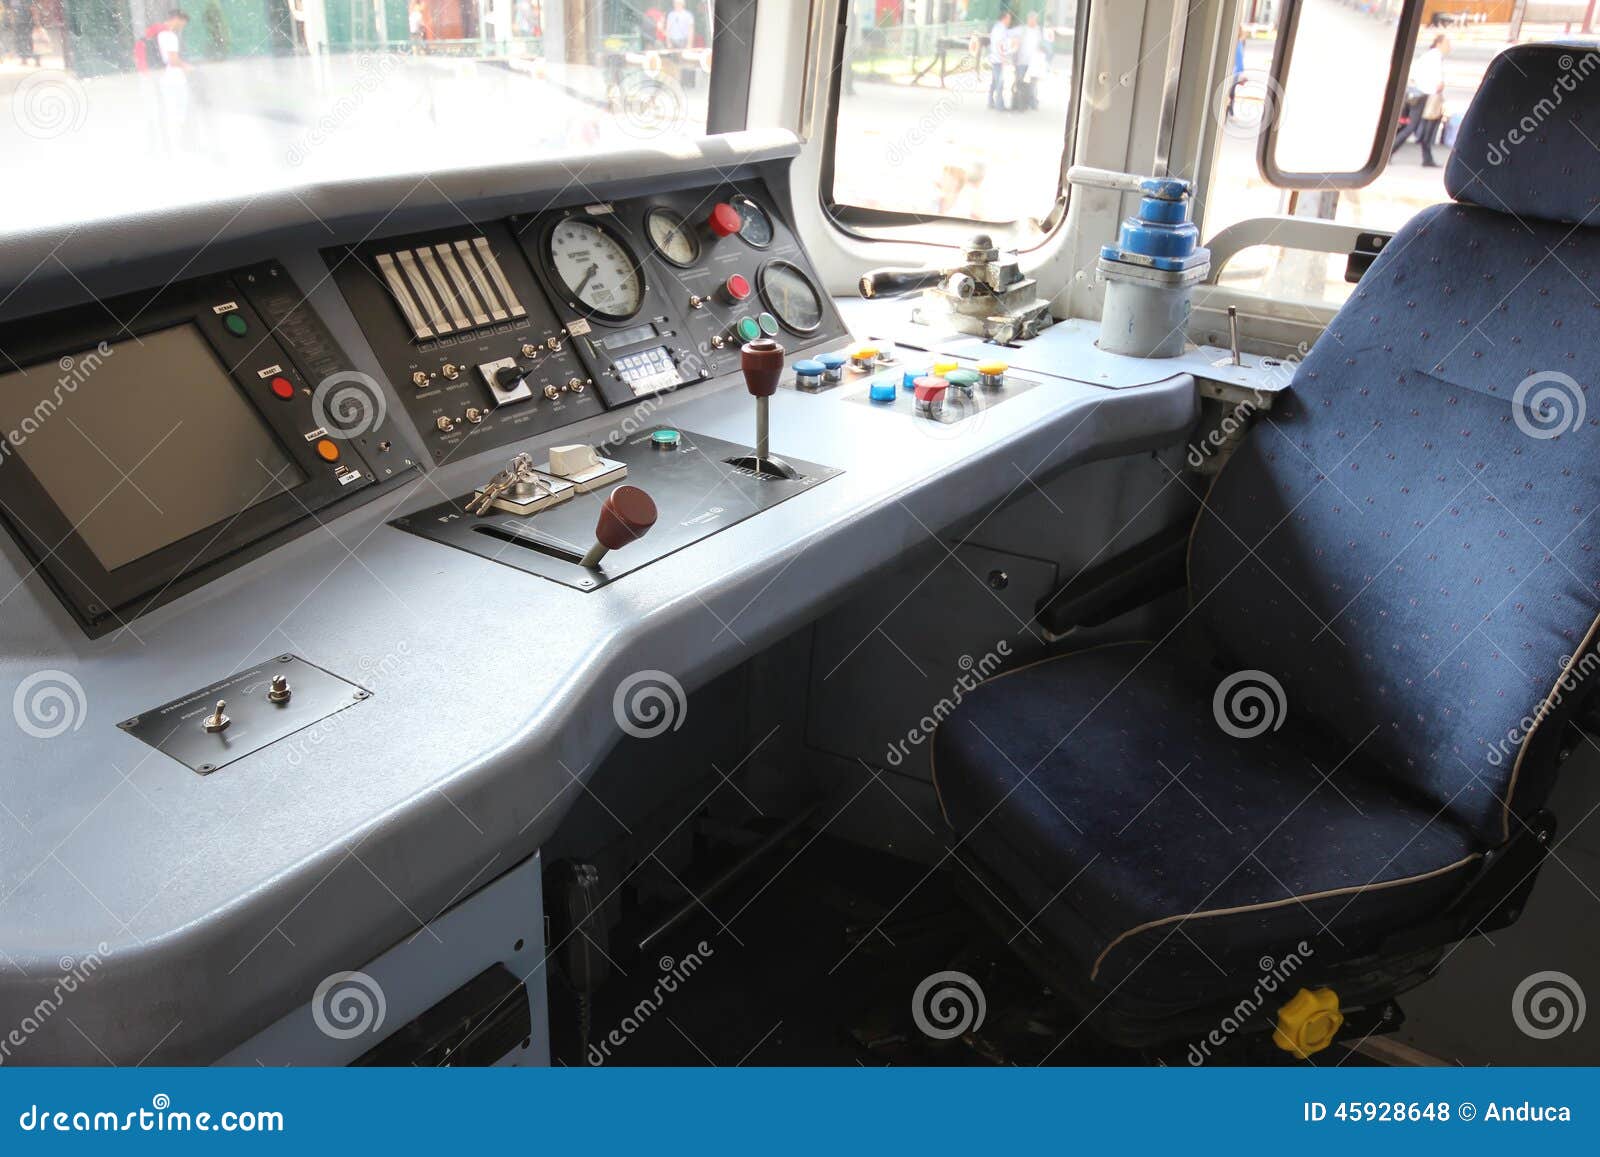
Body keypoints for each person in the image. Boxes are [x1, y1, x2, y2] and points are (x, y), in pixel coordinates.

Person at [1392, 33, 1450, 168]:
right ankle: (1390, 151)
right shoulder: (1435, 57)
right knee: (1413, 127)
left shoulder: (1428, 56)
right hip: (1425, 95)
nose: (1449, 47)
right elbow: (1438, 81)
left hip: (1418, 93)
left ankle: (1427, 158)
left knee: (1426, 129)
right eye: (1447, 44)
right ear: (1439, 43)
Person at [1013, 12, 1042, 111]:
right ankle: (1020, 103)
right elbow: (1015, 41)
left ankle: (1033, 102)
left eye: (1034, 19)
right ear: (1028, 19)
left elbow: (1039, 45)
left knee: (1033, 84)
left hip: (1034, 62)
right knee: (1020, 82)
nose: (1033, 21)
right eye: (1031, 19)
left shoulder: (1038, 31)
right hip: (1022, 61)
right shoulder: (1023, 30)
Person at [987, 9, 1013, 111]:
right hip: (998, 59)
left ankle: (990, 102)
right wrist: (1003, 58)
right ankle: (999, 105)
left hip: (995, 58)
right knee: (999, 82)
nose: (1010, 21)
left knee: (994, 82)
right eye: (1009, 19)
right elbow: (999, 44)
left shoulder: (997, 28)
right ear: (1005, 18)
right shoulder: (1000, 29)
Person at [665, 0, 694, 90]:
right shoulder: (671, 15)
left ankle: (683, 83)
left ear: (683, 4)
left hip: (683, 42)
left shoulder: (688, 15)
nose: (676, 5)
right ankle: (674, 83)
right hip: (673, 42)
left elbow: (691, 30)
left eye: (678, 3)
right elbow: (668, 29)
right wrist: (668, 42)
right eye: (675, 3)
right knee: (673, 63)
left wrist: (689, 44)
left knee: (684, 62)